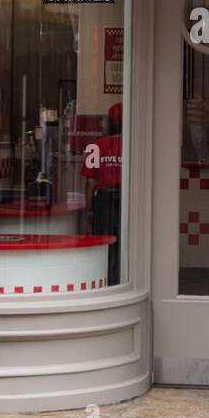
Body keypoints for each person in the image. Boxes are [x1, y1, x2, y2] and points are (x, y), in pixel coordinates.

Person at [81, 102, 123, 288]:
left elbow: (90, 182)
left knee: (103, 246)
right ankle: (122, 282)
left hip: (104, 200)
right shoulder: (133, 146)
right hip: (125, 198)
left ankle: (104, 284)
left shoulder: (97, 146)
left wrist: (88, 210)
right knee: (123, 246)